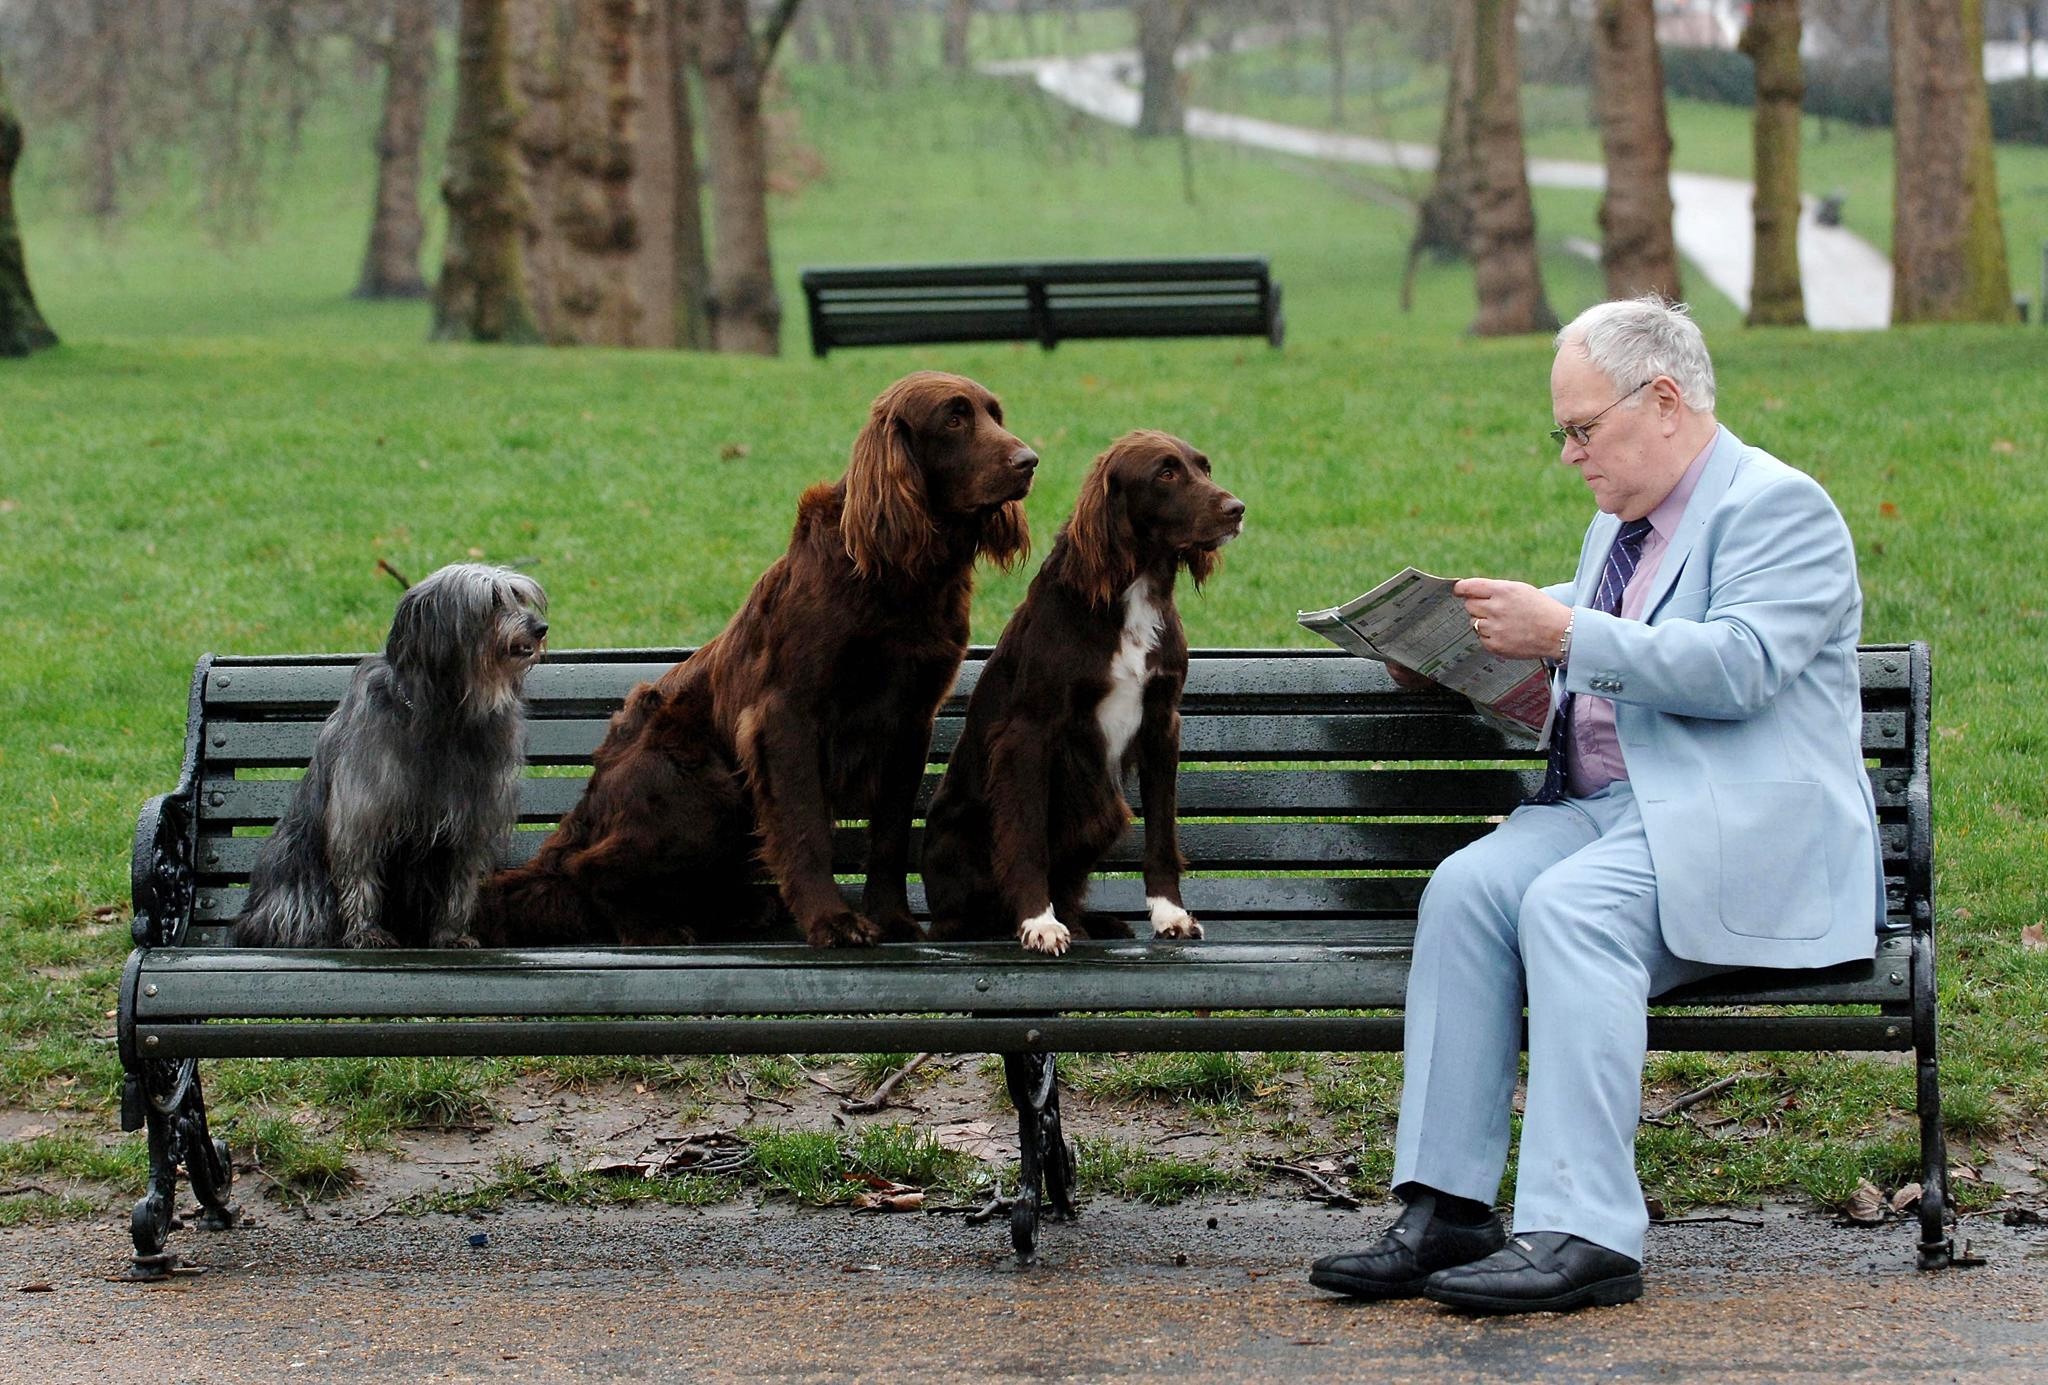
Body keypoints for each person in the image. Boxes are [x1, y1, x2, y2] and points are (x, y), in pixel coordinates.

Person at [1310, 296, 1884, 1314]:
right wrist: (1464, 654)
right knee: (1467, 888)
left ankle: (1583, 1229)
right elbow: (1596, 666)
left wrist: (1564, 630)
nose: (1570, 454)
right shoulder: (1621, 521)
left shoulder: (1775, 506)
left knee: (1570, 909)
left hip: (1732, 830)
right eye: (1562, 433)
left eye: (1582, 429)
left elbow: (1740, 665)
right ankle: (1445, 1204)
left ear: (1661, 400)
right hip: (1613, 814)